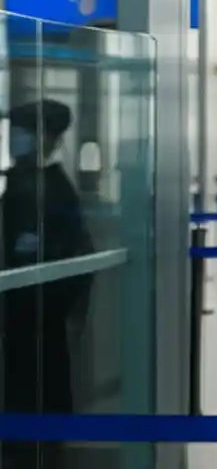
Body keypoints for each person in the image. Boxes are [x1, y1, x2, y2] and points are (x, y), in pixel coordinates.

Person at [3, 100, 92, 468]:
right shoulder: (20, 183)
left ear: (47, 138)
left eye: (25, 133)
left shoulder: (53, 188)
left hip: (38, 310)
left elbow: (68, 251)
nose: (17, 140)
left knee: (37, 380)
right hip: (21, 309)